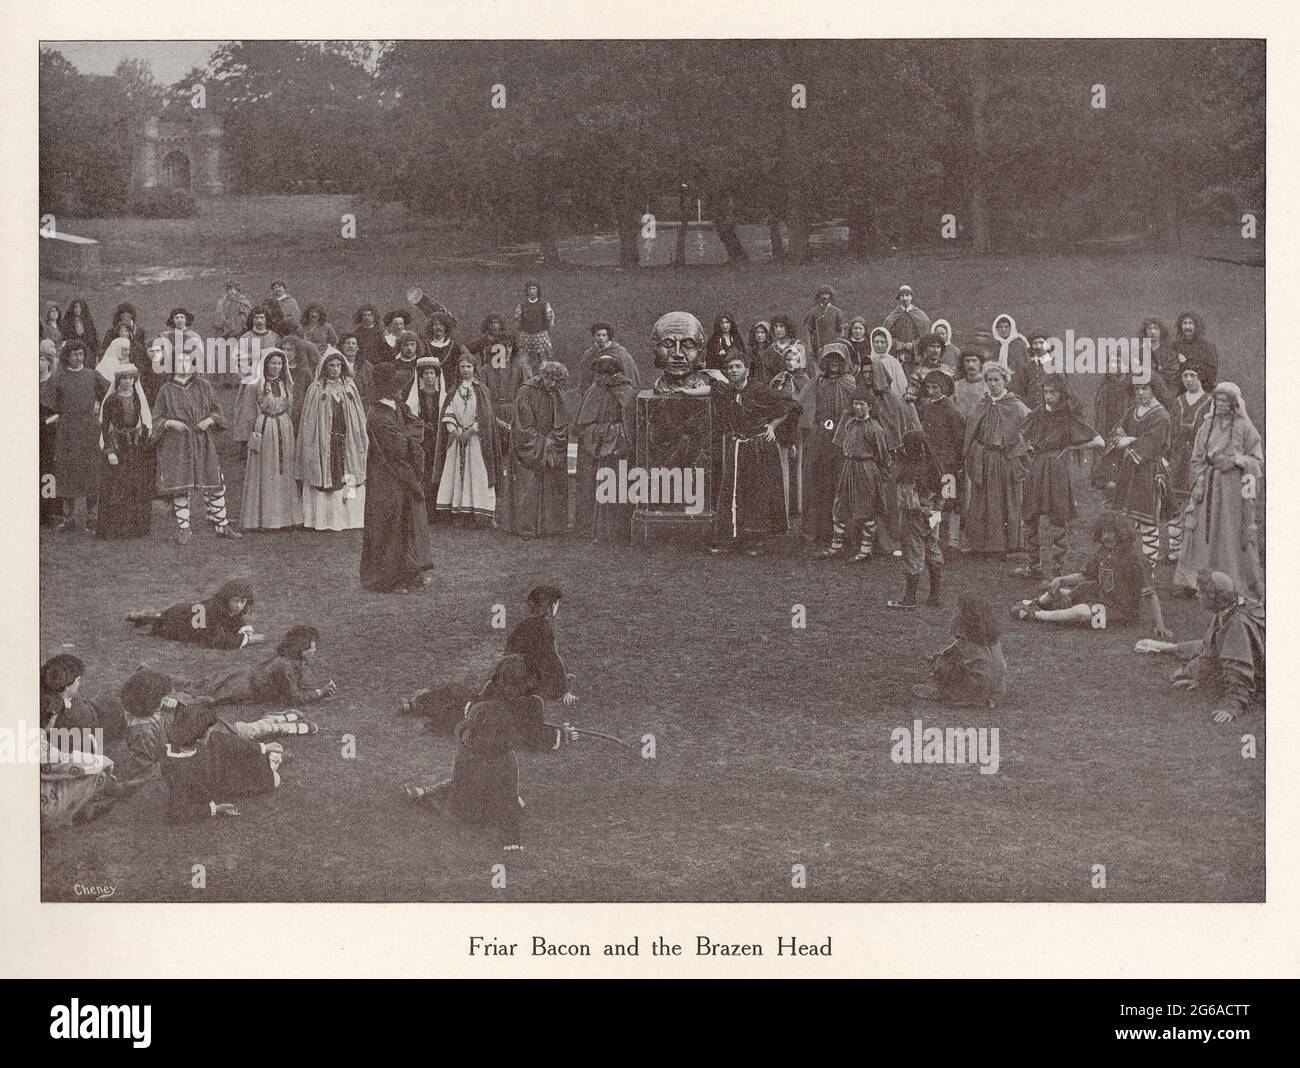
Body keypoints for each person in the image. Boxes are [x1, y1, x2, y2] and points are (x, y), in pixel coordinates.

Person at [402, 654, 577, 852]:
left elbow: (475, 713)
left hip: (464, 777)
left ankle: (428, 793)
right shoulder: (532, 704)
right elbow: (535, 738)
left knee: (471, 780)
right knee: (506, 793)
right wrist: (563, 735)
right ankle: (506, 836)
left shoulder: (488, 694)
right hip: (491, 781)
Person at [1010, 512, 1171, 637]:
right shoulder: (1103, 552)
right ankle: (1036, 602)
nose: (1107, 536)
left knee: (1081, 612)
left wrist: (1160, 625)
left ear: (1122, 534)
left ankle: (1037, 615)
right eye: (1104, 532)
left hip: (1120, 612)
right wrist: (1061, 579)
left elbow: (1151, 594)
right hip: (1099, 596)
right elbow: (1084, 576)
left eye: (1112, 533)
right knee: (1063, 590)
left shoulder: (1135, 559)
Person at [1172, 382, 1264, 599]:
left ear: (1233, 404)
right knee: (1202, 531)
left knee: (1228, 531)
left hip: (1233, 489)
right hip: (1209, 488)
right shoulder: (1208, 424)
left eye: (1225, 401)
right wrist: (1201, 480)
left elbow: (1257, 459)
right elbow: (1197, 456)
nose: (1221, 404)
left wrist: (1236, 461)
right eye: (1218, 400)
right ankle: (1198, 580)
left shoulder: (1244, 427)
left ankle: (1230, 579)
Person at [705, 354, 801, 556]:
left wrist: (772, 427)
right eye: (730, 367)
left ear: (747, 371)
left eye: (738, 366)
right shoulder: (725, 391)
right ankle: (729, 537)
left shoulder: (759, 390)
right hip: (738, 445)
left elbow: (788, 406)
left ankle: (755, 541)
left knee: (756, 493)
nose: (733, 370)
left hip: (759, 447)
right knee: (732, 490)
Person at [1014, 374, 1102, 579]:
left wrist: (1071, 447)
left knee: (1057, 519)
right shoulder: (1037, 413)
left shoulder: (1067, 416)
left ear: (1062, 393)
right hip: (1035, 470)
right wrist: (1028, 448)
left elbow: (1099, 441)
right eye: (1045, 392)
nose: (1049, 396)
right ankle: (1033, 567)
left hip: (1057, 471)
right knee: (1031, 517)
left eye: (1053, 392)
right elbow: (1022, 434)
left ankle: (1056, 570)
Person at [360, 362, 434, 593]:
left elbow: (416, 426)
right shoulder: (378, 415)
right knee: (388, 525)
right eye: (396, 385)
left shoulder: (396, 407)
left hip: (400, 474)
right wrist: (410, 443)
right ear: (387, 388)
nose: (401, 389)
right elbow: (399, 448)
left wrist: (408, 438)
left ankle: (408, 573)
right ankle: (387, 579)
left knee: (406, 523)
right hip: (387, 477)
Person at [152, 357, 239, 544]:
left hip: (202, 440)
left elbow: (218, 411)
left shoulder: (204, 386)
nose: (185, 366)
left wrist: (209, 420)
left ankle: (221, 524)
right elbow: (156, 418)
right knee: (180, 484)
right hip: (177, 443)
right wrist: (170, 423)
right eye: (180, 362)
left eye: (188, 362)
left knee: (214, 481)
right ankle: (184, 529)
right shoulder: (166, 390)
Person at [1165, 571, 1265, 724]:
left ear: (1213, 596)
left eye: (1200, 591)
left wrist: (1233, 704)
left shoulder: (1237, 623)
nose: (1197, 595)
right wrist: (1196, 675)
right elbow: (1211, 650)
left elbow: (1238, 665)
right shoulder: (1228, 610)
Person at [814, 384, 891, 563]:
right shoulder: (849, 423)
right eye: (855, 403)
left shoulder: (875, 428)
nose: (857, 407)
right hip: (849, 468)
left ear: (869, 407)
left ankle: (865, 551)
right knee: (840, 506)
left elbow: (883, 456)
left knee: (866, 510)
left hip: (866, 471)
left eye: (862, 404)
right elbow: (843, 445)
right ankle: (836, 547)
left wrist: (881, 477)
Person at [295, 349, 368, 531]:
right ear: (324, 367)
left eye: (338, 365)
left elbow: (358, 416)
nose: (335, 369)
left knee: (349, 475)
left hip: (346, 440)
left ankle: (350, 518)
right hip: (324, 441)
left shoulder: (350, 387)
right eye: (331, 365)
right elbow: (309, 421)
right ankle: (324, 519)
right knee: (327, 476)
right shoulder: (316, 389)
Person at [962, 361, 1030, 556]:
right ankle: (980, 545)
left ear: (1004, 380)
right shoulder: (981, 403)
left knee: (1002, 500)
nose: (992, 384)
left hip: (1004, 459)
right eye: (989, 380)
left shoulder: (1014, 404)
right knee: (981, 500)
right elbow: (972, 428)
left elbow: (1030, 424)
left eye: (996, 380)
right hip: (983, 458)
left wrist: (1015, 446)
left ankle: (1003, 545)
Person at [1107, 378, 1172, 567]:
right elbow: (1115, 434)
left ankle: (1148, 569)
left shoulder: (1161, 416)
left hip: (1148, 472)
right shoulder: (1133, 411)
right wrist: (1128, 440)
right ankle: (1128, 566)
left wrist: (1128, 441)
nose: (1141, 393)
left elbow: (1149, 446)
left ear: (1155, 389)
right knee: (1128, 520)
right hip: (1130, 472)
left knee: (1147, 521)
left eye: (1145, 388)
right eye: (1137, 389)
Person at [798, 343, 858, 547]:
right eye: (830, 359)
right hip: (820, 442)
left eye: (838, 359)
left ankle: (843, 534)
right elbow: (805, 409)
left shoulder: (850, 383)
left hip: (843, 443)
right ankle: (818, 532)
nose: (834, 363)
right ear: (824, 362)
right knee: (819, 487)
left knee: (841, 487)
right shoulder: (817, 383)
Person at [241, 348, 304, 530]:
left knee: (284, 469)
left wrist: (287, 424)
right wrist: (252, 433)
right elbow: (249, 410)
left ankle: (286, 518)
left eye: (279, 363)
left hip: (283, 424)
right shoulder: (256, 383)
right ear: (265, 364)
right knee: (267, 469)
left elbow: (290, 406)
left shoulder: (286, 383)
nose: (276, 367)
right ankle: (265, 518)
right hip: (265, 426)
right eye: (272, 363)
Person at [575, 353, 636, 541]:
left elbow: (630, 423)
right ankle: (589, 529)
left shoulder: (626, 391)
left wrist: (613, 432)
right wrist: (595, 432)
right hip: (594, 449)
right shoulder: (594, 389)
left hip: (618, 449)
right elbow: (583, 422)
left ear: (613, 373)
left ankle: (616, 531)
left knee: (616, 487)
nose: (599, 378)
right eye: (597, 374)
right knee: (590, 486)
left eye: (603, 374)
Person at [49, 338, 109, 533]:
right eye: (74, 354)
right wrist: (58, 415)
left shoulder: (92, 375)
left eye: (81, 354)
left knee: (91, 472)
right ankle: (69, 519)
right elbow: (48, 401)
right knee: (67, 473)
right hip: (67, 431)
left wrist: (99, 406)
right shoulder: (59, 377)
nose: (78, 357)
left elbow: (109, 393)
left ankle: (92, 518)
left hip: (89, 430)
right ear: (67, 356)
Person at [433, 353, 500, 525]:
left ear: (474, 368)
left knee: (477, 474)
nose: (465, 370)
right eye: (462, 367)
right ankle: (459, 513)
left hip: (477, 440)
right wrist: (455, 433)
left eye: (468, 366)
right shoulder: (453, 390)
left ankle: (479, 514)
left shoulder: (482, 390)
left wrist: (470, 432)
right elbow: (449, 413)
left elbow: (485, 416)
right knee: (455, 475)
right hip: (457, 441)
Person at [911, 594, 1007, 708]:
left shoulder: (964, 642)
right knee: (987, 667)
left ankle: (945, 694)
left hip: (976, 688)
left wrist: (935, 662)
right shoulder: (994, 638)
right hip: (997, 689)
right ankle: (987, 698)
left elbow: (944, 660)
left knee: (947, 664)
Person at [510, 360, 573, 537]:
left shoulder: (557, 392)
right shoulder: (526, 390)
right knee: (529, 485)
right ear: (542, 375)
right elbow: (522, 424)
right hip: (530, 445)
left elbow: (562, 420)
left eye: (555, 380)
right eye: (548, 379)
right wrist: (541, 441)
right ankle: (527, 527)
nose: (551, 383)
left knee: (552, 483)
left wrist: (553, 438)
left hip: (551, 444)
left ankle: (550, 526)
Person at [1164, 363, 1214, 565]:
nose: (1189, 379)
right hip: (1177, 460)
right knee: (1174, 504)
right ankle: (1175, 549)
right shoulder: (1178, 402)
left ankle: (1195, 550)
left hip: (1199, 460)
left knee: (1197, 504)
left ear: (1201, 377)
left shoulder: (1210, 402)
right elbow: (1169, 431)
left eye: (1193, 375)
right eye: (1185, 375)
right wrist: (1166, 456)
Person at [96, 365, 153, 538]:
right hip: (118, 446)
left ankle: (134, 528)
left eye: (130, 378)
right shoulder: (111, 400)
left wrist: (141, 439)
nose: (127, 382)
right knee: (116, 485)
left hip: (133, 447)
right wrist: (109, 451)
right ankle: (114, 528)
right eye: (124, 378)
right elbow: (105, 427)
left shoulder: (137, 397)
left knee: (134, 484)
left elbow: (143, 421)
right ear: (118, 380)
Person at [127, 579, 265, 648]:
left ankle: (147, 615)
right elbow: (215, 640)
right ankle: (143, 616)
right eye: (235, 601)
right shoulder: (213, 609)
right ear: (227, 598)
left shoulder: (224, 607)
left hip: (185, 612)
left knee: (160, 618)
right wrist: (247, 640)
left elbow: (234, 619)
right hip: (179, 622)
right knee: (156, 626)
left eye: (243, 601)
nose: (239, 605)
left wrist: (245, 629)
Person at [915, 370, 966, 552]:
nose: (932, 391)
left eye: (935, 387)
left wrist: (955, 462)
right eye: (928, 387)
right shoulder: (927, 405)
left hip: (948, 464)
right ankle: (934, 538)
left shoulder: (950, 408)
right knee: (935, 500)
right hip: (931, 463)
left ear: (943, 388)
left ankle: (952, 541)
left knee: (950, 500)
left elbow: (959, 437)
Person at [503, 585, 579, 703]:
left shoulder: (522, 626)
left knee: (566, 677)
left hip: (514, 679)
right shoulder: (544, 627)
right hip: (528, 683)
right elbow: (553, 658)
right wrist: (564, 691)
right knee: (571, 679)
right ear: (553, 605)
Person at [769, 345, 812, 517]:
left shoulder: (804, 379)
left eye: (794, 358)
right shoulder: (778, 379)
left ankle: (799, 506)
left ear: (799, 360)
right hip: (781, 425)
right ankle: (783, 508)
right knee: (782, 466)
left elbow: (807, 402)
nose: (790, 362)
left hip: (798, 426)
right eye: (787, 359)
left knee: (799, 464)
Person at [409, 356, 446, 521]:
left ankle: (436, 509)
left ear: (437, 376)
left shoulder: (442, 397)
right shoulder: (417, 396)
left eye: (432, 373)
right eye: (426, 374)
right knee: (422, 471)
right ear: (421, 377)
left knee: (436, 471)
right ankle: (421, 509)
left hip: (438, 440)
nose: (429, 377)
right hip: (422, 440)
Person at [577, 321, 640, 391]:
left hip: (617, 389)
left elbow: (628, 371)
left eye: (604, 335)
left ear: (608, 336)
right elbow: (585, 377)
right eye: (598, 335)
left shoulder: (620, 352)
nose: (601, 338)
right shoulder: (590, 354)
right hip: (596, 390)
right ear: (594, 336)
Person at [1168, 310, 1219, 392]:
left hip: (1203, 391)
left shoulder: (1207, 346)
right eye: (1184, 323)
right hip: (1181, 391)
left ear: (1196, 325)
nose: (1187, 326)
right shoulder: (1176, 345)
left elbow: (1211, 373)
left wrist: (1187, 363)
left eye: (1190, 323)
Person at [883, 285, 931, 369]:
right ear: (899, 298)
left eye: (907, 295)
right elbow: (886, 335)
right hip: (897, 355)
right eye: (902, 296)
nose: (904, 299)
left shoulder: (920, 315)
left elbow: (925, 337)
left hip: (914, 356)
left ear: (911, 297)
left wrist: (913, 345)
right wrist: (895, 343)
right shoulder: (893, 315)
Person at [512, 280, 556, 366]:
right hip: (526, 336)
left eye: (534, 289)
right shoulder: (521, 306)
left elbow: (551, 323)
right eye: (530, 289)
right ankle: (526, 378)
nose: (532, 291)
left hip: (540, 335)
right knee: (524, 362)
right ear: (527, 291)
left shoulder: (545, 305)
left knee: (543, 361)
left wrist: (545, 331)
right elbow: (517, 324)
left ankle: (543, 377)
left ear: (537, 290)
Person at [1010, 331, 1052, 409]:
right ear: (1031, 347)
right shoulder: (1026, 368)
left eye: (1041, 343)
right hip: (1030, 412)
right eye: (1035, 343)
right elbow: (1020, 391)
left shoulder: (1057, 366)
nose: (1038, 346)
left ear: (1048, 345)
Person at [803, 286, 844, 357]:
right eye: (822, 294)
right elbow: (808, 330)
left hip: (833, 346)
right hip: (817, 346)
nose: (825, 296)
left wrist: (841, 345)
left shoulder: (836, 311)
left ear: (830, 296)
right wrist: (809, 347)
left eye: (827, 294)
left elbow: (841, 330)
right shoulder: (813, 311)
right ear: (819, 296)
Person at [868, 326, 909, 397]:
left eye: (882, 342)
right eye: (876, 342)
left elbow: (901, 386)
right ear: (872, 343)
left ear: (888, 344)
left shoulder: (894, 362)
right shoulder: (868, 360)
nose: (879, 345)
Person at [952, 349, 990, 420]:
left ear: (981, 363)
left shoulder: (988, 385)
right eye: (967, 361)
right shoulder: (956, 385)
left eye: (974, 361)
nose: (970, 364)